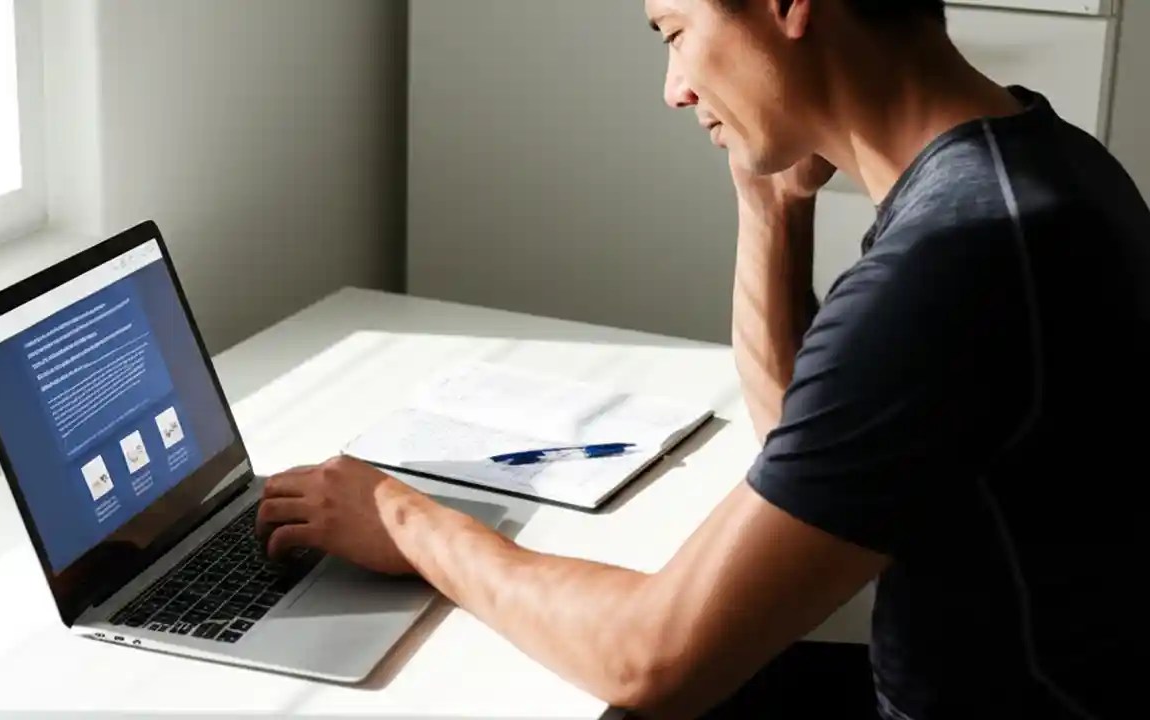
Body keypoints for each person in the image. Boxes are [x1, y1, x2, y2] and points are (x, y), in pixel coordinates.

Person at [255, 1, 1147, 717]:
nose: (675, 88)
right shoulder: (1035, 165)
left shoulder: (955, 258)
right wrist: (772, 207)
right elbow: (812, 450)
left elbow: (655, 662)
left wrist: (410, 523)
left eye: (676, 33)